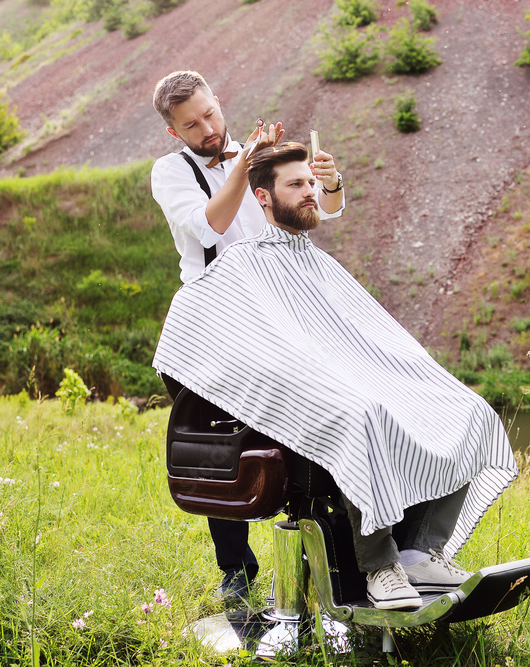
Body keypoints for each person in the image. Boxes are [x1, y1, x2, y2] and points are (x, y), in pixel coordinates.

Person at [152, 143, 518, 610]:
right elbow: (187, 328)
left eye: (311, 183)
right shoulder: (241, 263)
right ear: (262, 197)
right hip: (300, 410)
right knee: (361, 412)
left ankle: (420, 550)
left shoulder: (317, 262)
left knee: (464, 408)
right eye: (297, 185)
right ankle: (380, 568)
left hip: (346, 384)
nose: (310, 193)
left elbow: (364, 339)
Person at [149, 70, 345, 601]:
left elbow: (315, 213)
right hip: (211, 321)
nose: (207, 128)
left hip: (277, 313)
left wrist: (326, 183)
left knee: (311, 433)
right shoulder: (169, 172)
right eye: (192, 125)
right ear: (174, 133)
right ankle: (235, 570)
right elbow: (211, 225)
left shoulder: (258, 155)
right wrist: (243, 163)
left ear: (219, 99)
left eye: (210, 113)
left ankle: (321, 560)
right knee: (220, 446)